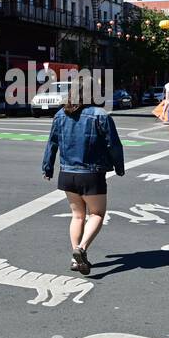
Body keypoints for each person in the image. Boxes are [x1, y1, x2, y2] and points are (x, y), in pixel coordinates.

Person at [42, 80, 126, 275]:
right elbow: (114, 145)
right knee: (96, 214)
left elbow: (51, 144)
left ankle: (75, 258)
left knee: (77, 215)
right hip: (91, 173)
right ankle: (81, 249)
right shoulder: (100, 115)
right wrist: (119, 167)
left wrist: (47, 167)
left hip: (67, 173)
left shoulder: (60, 114)